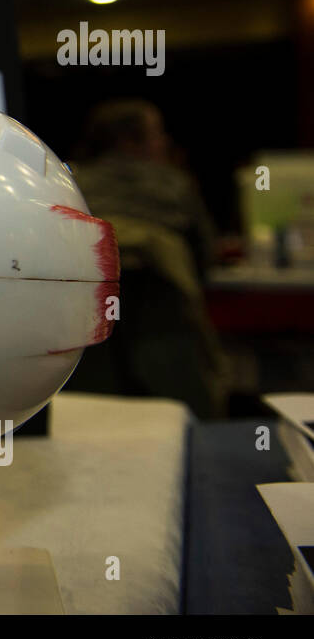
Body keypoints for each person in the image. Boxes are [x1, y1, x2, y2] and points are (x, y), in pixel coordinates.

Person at [66, 99, 228, 417]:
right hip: (170, 343)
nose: (164, 142)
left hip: (85, 349)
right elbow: (206, 255)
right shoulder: (175, 184)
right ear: (129, 141)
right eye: (157, 134)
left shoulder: (71, 185)